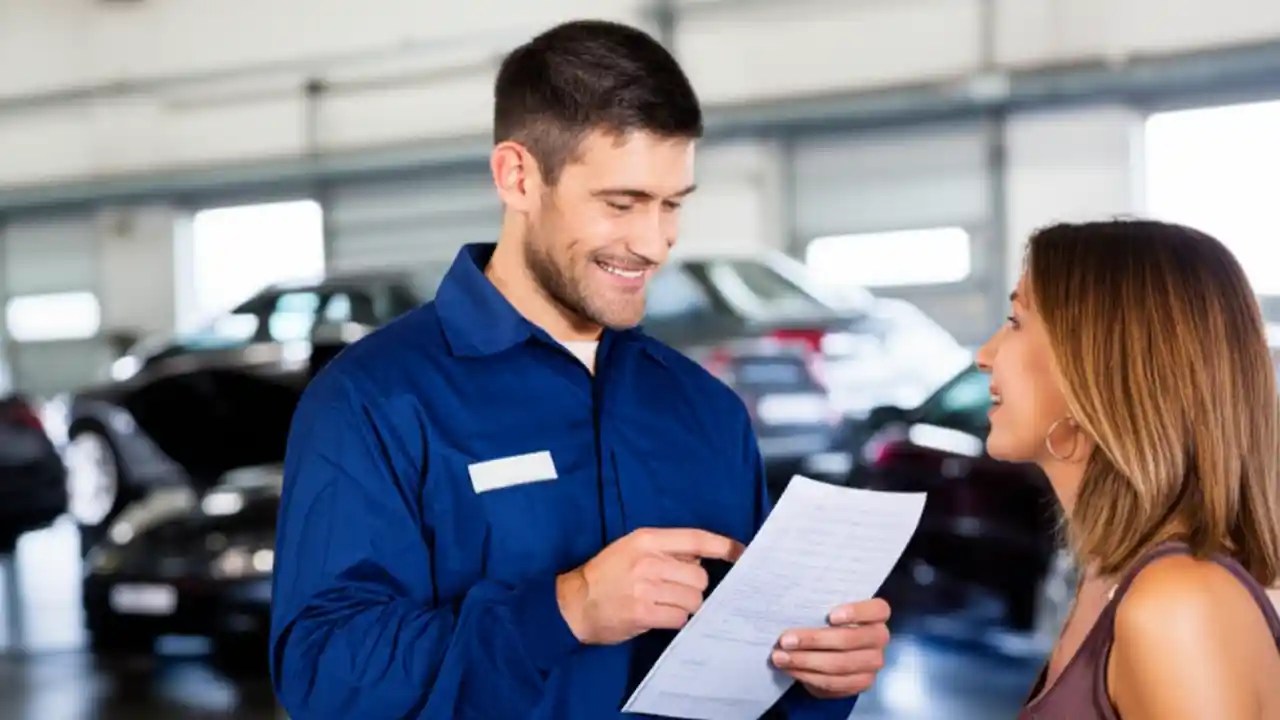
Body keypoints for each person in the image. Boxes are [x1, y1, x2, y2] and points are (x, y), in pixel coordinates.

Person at [269, 19, 891, 719]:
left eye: (672, 205)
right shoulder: (372, 401)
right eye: (620, 204)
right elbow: (324, 674)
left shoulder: (706, 412)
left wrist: (820, 676)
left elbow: (754, 680)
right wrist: (563, 610)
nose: (653, 243)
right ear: (518, 176)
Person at [974, 220, 1280, 719]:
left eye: (1015, 322)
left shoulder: (1177, 603)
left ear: (1093, 365)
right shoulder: (1113, 578)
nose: (984, 356)